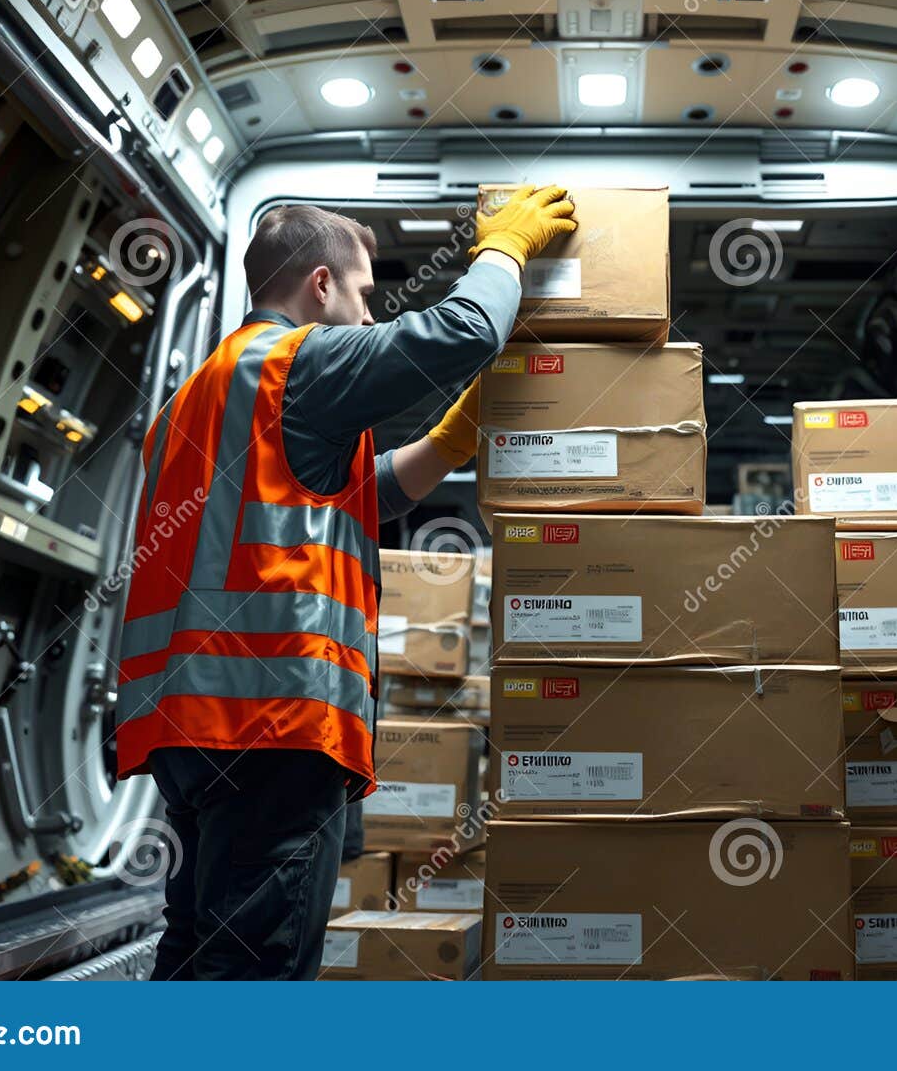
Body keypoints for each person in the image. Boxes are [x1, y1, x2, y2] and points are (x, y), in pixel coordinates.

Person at [113, 184, 575, 979]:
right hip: (273, 721)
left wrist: (449, 438)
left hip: (186, 729)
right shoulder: (296, 363)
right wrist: (506, 248)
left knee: (194, 950)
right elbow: (460, 331)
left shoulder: (199, 393)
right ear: (319, 286)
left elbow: (351, 500)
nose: (368, 316)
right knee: (256, 970)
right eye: (363, 294)